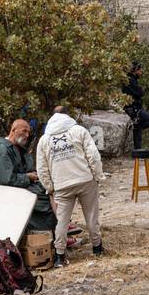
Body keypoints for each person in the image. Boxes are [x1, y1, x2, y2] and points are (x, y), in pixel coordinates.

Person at [35, 107, 106, 267]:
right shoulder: (79, 131)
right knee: (91, 216)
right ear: (68, 114)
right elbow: (93, 155)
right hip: (84, 180)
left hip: (62, 185)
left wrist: (50, 187)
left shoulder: (44, 140)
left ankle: (60, 256)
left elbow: (42, 168)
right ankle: (97, 248)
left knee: (61, 221)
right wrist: (97, 175)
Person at [123, 62, 149, 151]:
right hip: (134, 109)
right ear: (135, 70)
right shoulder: (130, 80)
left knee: (137, 127)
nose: (141, 72)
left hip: (136, 108)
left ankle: (138, 151)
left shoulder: (133, 80)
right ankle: (137, 129)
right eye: (140, 70)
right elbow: (141, 92)